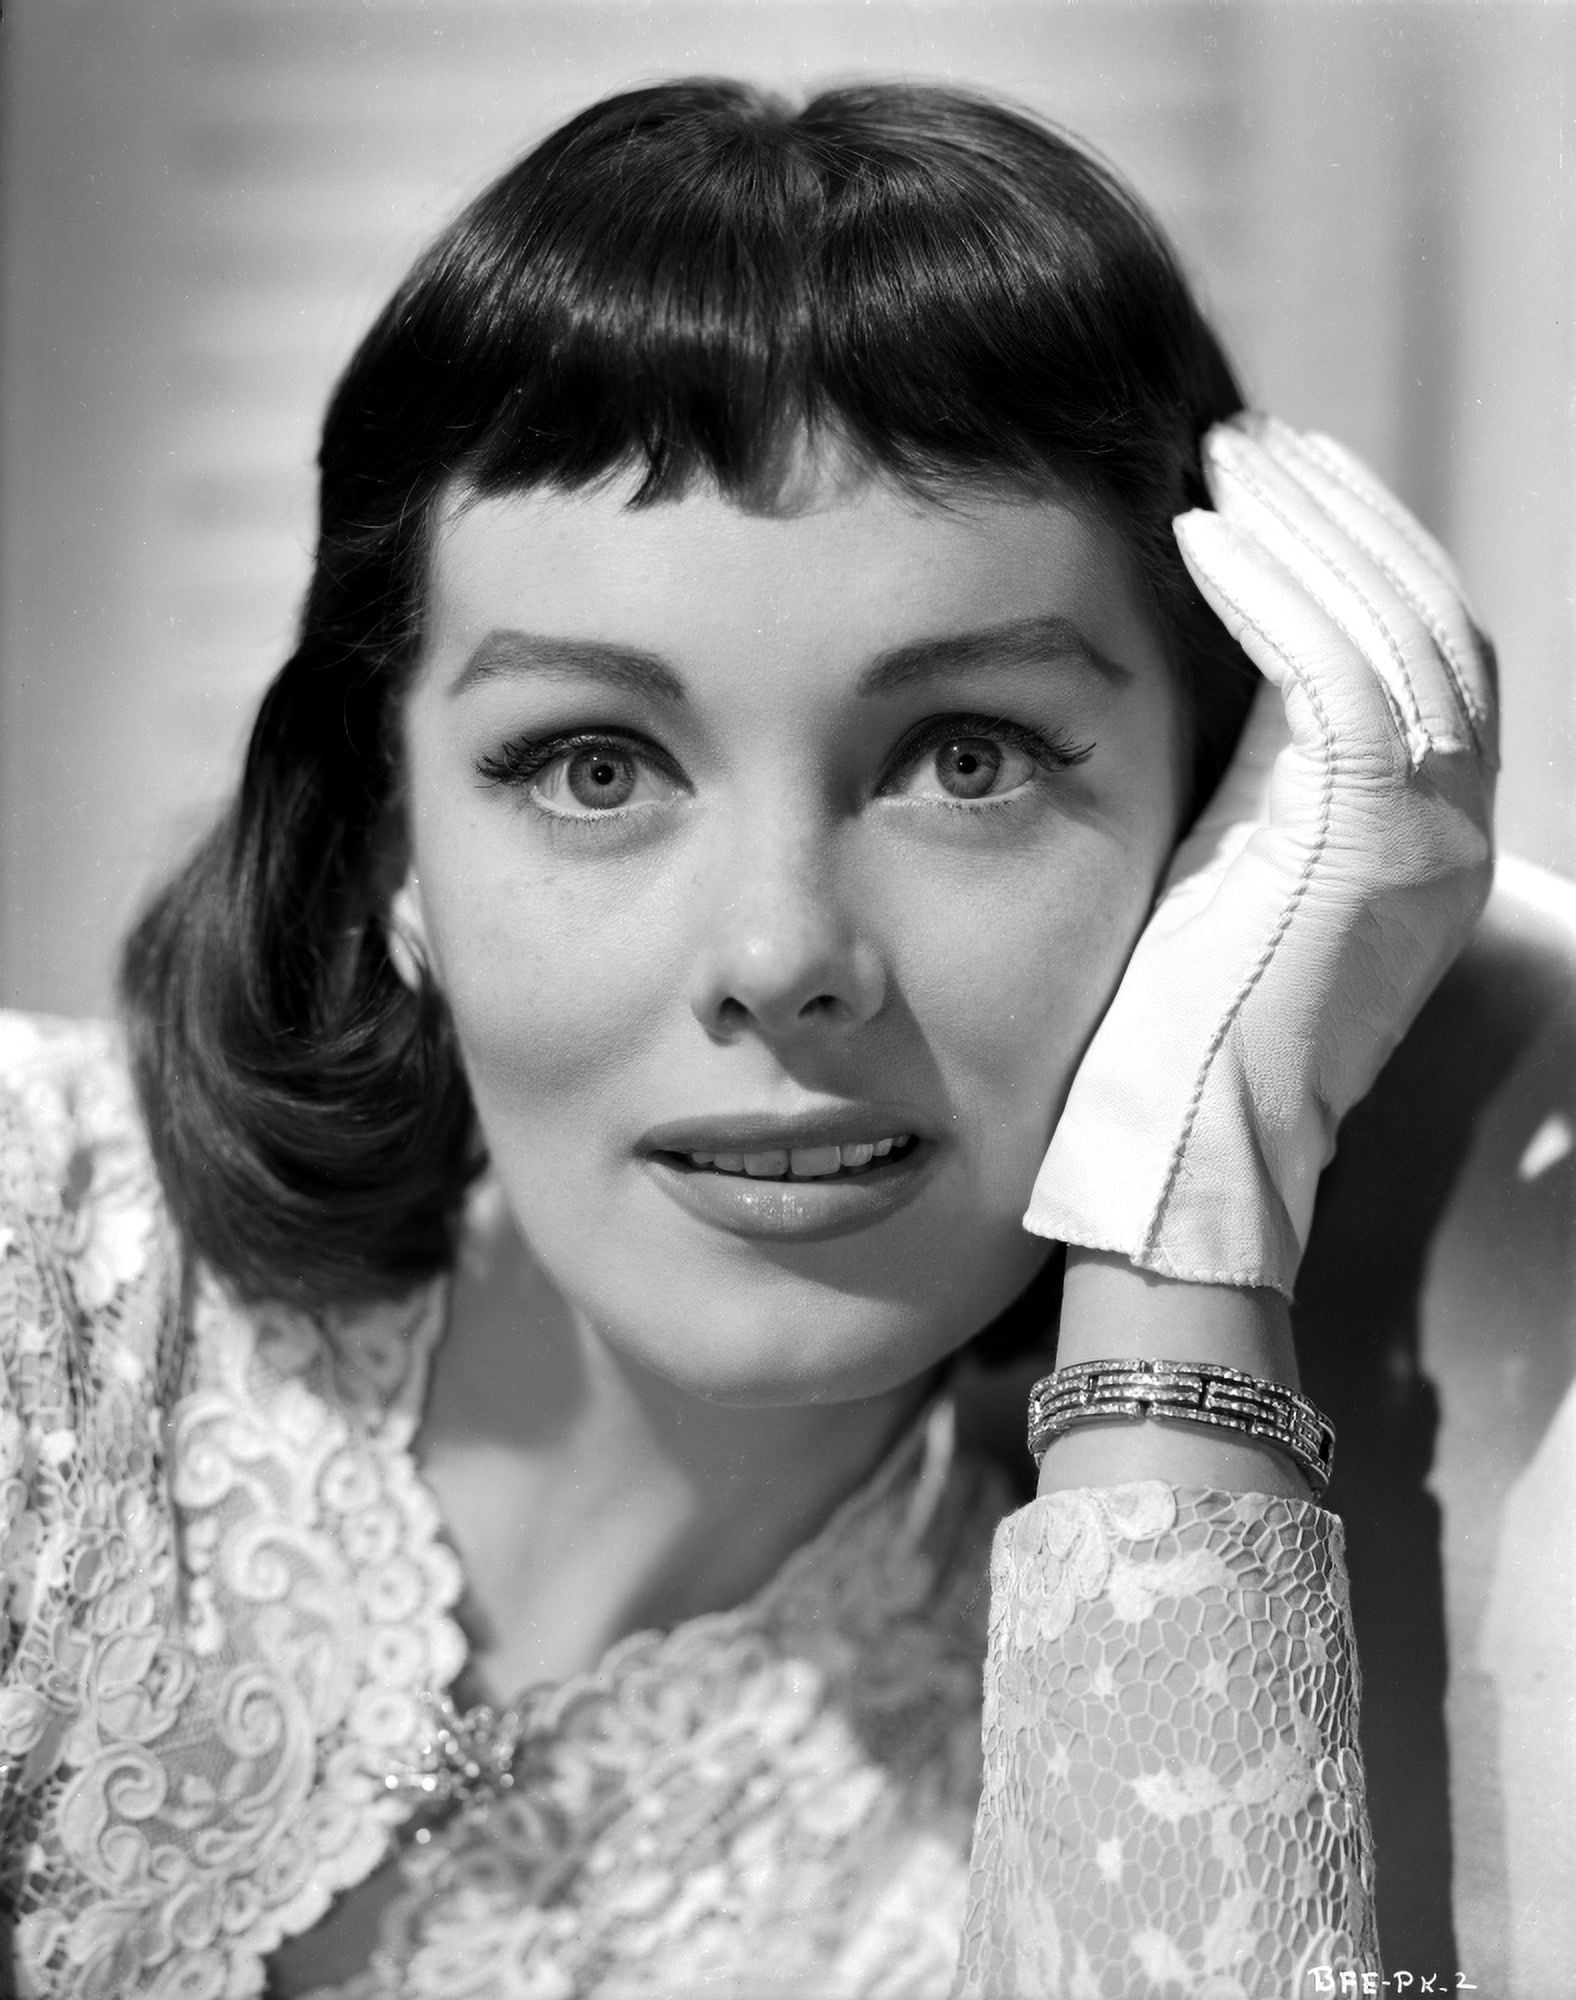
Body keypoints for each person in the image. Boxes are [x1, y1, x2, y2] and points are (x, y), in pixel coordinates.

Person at [0, 79, 1494, 1999]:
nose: (784, 955)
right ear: (391, 850)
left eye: (969, 760)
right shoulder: (34, 1279)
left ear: (1203, 852)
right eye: (593, 765)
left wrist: (1193, 1204)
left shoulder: (1123, 1721)